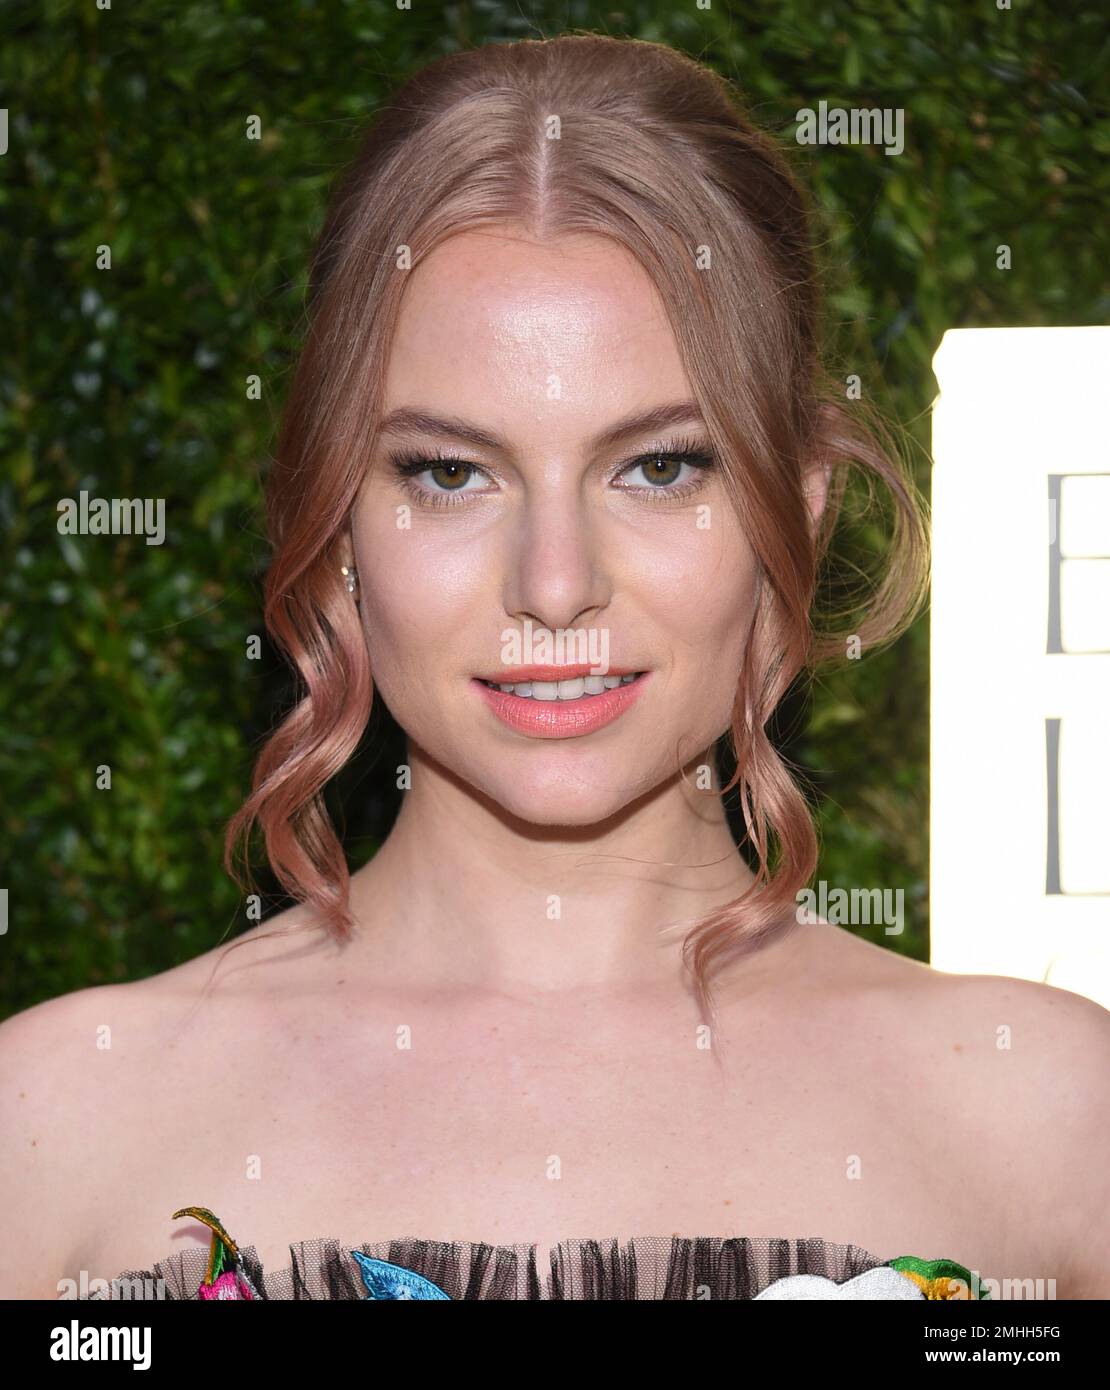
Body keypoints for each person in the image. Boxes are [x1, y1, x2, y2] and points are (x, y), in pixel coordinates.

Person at [3, 32, 1107, 1302]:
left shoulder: (1057, 1122)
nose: (553, 582)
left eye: (659, 466)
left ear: (794, 518)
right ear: (334, 519)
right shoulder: (51, 1133)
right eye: (449, 472)